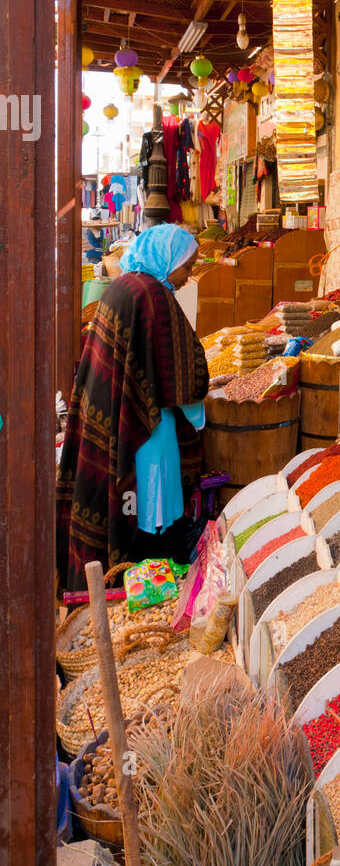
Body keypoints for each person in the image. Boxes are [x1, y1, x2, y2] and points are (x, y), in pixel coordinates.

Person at [57, 225, 209, 591]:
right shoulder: (154, 296)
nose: (189, 276)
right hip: (148, 431)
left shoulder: (125, 286)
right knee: (153, 511)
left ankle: (130, 570)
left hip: (118, 418)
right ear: (167, 259)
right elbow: (189, 377)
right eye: (187, 266)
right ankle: (150, 578)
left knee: (138, 503)